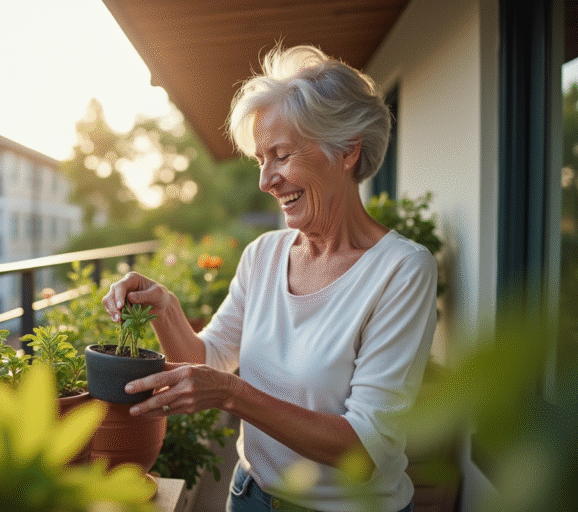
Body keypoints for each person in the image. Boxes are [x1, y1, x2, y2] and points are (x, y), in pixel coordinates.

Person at [102, 44, 437, 512]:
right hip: (250, 495)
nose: (266, 181)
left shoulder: (401, 269)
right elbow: (208, 359)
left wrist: (234, 395)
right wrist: (165, 309)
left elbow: (366, 447)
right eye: (261, 159)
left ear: (347, 150)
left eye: (280, 155)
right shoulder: (264, 254)